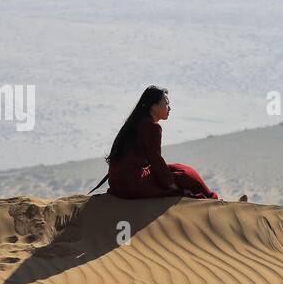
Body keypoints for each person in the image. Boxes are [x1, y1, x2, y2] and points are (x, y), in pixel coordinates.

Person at [96, 86, 246, 201]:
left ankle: (214, 201)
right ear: (153, 106)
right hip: (132, 185)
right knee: (186, 175)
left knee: (179, 168)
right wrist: (171, 186)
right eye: (166, 103)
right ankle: (215, 202)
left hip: (118, 184)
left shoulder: (137, 122)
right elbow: (155, 159)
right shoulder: (151, 127)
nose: (169, 108)